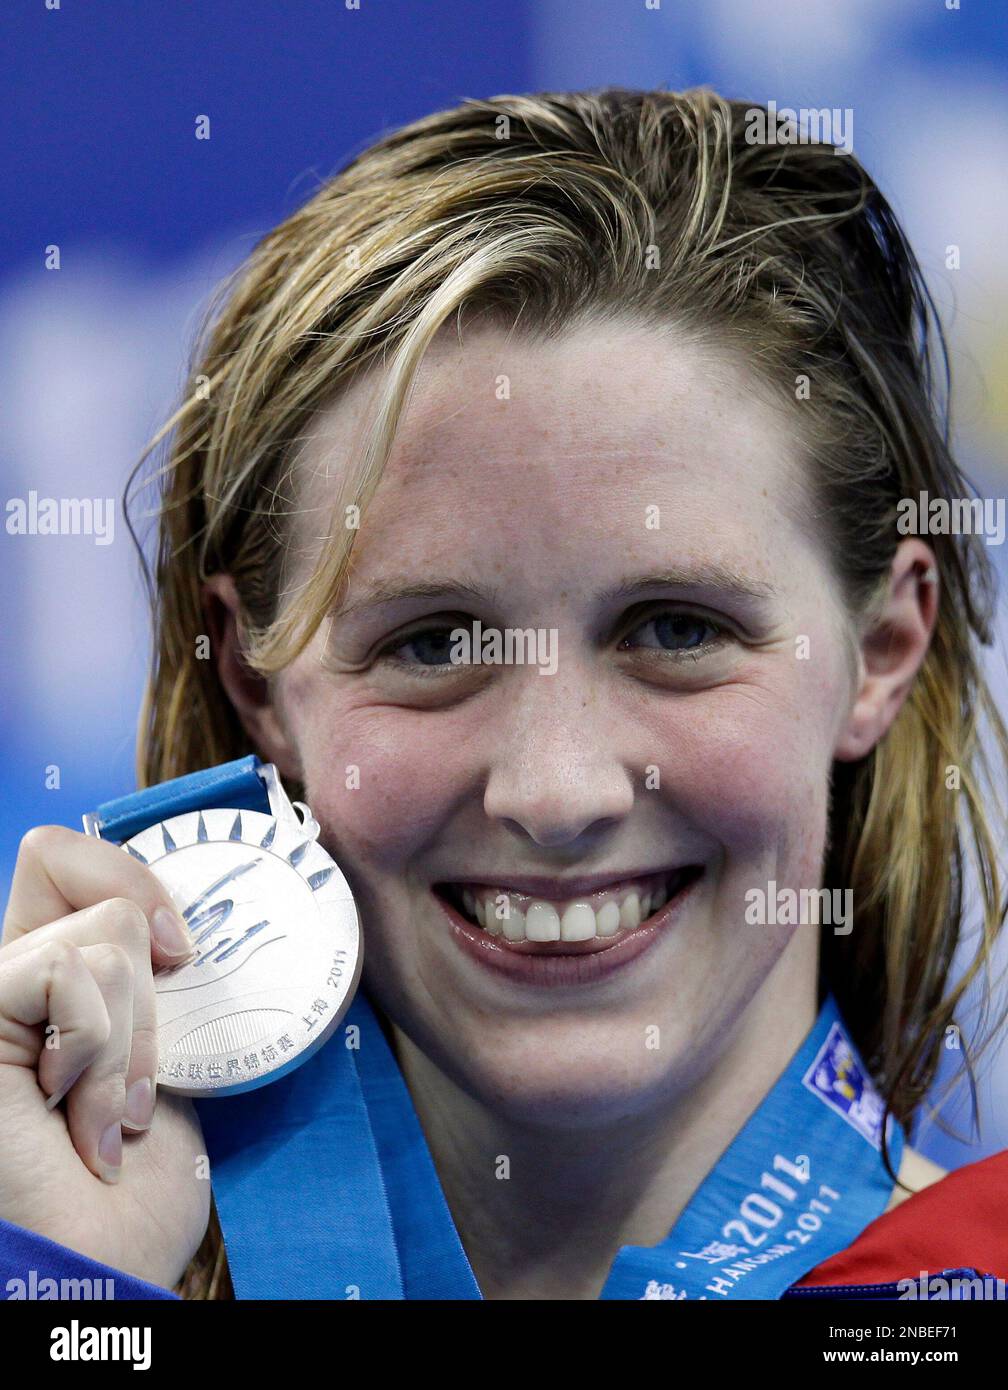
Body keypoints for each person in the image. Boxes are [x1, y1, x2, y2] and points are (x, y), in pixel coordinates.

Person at [1, 86, 1006, 1302]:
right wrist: (64, 1285)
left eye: (676, 629)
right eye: (433, 645)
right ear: (257, 682)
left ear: (883, 648)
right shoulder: (66, 1280)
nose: (557, 790)